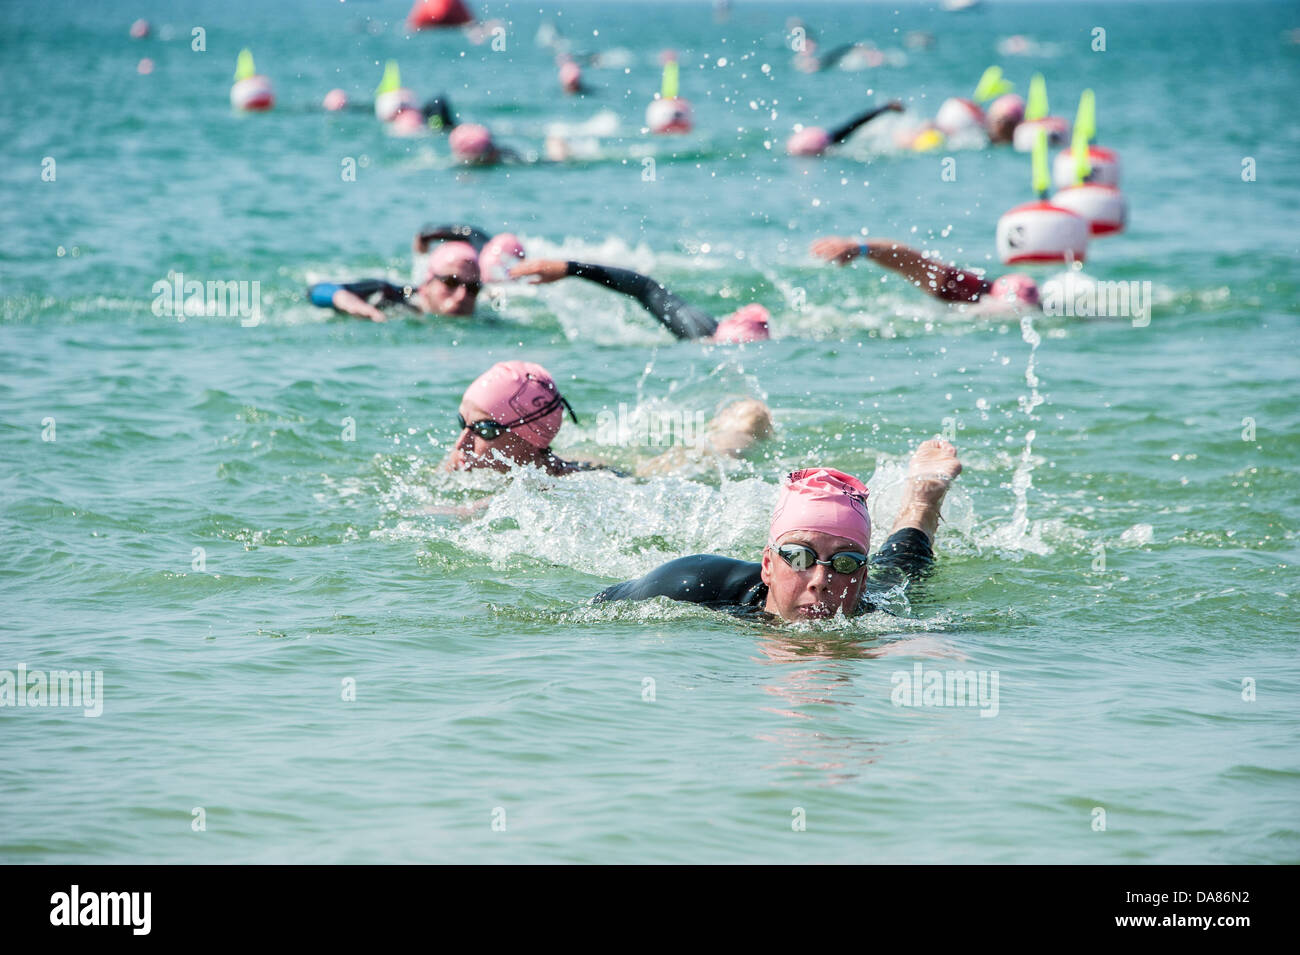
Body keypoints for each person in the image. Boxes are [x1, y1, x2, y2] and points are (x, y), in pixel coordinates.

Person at [593, 439, 962, 623]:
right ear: (768, 565)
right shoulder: (690, 585)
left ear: (861, 579)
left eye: (845, 563)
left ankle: (923, 499)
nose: (821, 579)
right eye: (800, 557)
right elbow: (587, 610)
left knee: (902, 567)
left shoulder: (879, 613)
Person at [445, 360, 773, 476]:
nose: (463, 443)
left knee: (693, 464)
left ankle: (741, 428)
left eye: (485, 429)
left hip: (625, 480)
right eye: (463, 424)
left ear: (531, 436)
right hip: (580, 461)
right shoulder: (463, 460)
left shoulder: (557, 488)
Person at [508, 258, 771, 343]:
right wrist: (571, 268)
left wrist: (572, 268)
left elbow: (645, 287)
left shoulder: (698, 332)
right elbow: (645, 287)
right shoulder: (700, 329)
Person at [811, 235, 1041, 310]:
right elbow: (917, 263)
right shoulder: (971, 293)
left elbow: (915, 264)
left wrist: (862, 250)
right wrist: (862, 248)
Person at [787, 101, 904, 156]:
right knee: (855, 125)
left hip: (826, 139)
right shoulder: (798, 146)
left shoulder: (799, 149)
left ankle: (887, 107)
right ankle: (887, 108)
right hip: (821, 136)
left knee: (856, 124)